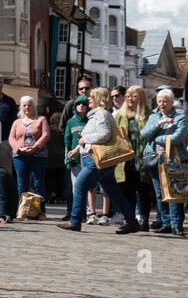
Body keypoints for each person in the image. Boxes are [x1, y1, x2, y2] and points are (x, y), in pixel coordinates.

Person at [60, 87, 131, 232]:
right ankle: (132, 220)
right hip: (96, 160)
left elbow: (104, 134)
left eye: (92, 96)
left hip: (95, 161)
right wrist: (77, 150)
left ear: (99, 99)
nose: (88, 99)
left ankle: (75, 221)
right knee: (114, 192)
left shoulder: (101, 114)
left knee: (80, 185)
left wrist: (85, 139)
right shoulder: (96, 115)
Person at [140, 88, 188, 235]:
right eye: (159, 101)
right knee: (160, 193)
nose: (162, 104)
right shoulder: (154, 116)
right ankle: (166, 223)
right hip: (155, 158)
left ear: (171, 102)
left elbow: (179, 136)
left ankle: (177, 224)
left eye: (165, 101)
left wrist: (158, 138)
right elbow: (143, 134)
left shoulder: (180, 115)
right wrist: (159, 124)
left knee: (176, 193)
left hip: (174, 158)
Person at [113, 85, 153, 234]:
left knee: (143, 191)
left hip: (143, 159)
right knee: (126, 191)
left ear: (141, 98)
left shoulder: (148, 115)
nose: (130, 98)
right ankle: (129, 220)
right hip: (125, 160)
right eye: (128, 96)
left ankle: (144, 220)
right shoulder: (120, 116)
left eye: (134, 96)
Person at [9, 94, 49, 198]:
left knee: (38, 184)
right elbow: (11, 138)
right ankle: (22, 210)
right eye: (24, 105)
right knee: (22, 185)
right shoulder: (16, 122)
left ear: (34, 106)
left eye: (29, 105)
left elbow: (46, 135)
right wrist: (18, 149)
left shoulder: (41, 119)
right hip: (20, 156)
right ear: (21, 107)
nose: (27, 107)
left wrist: (35, 147)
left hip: (38, 155)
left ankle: (40, 211)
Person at [62, 95, 90, 221]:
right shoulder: (70, 122)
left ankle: (86, 212)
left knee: (87, 187)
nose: (81, 106)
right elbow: (67, 139)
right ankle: (77, 213)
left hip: (88, 157)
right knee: (75, 187)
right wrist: (68, 156)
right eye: (79, 104)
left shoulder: (90, 121)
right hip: (74, 158)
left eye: (84, 104)